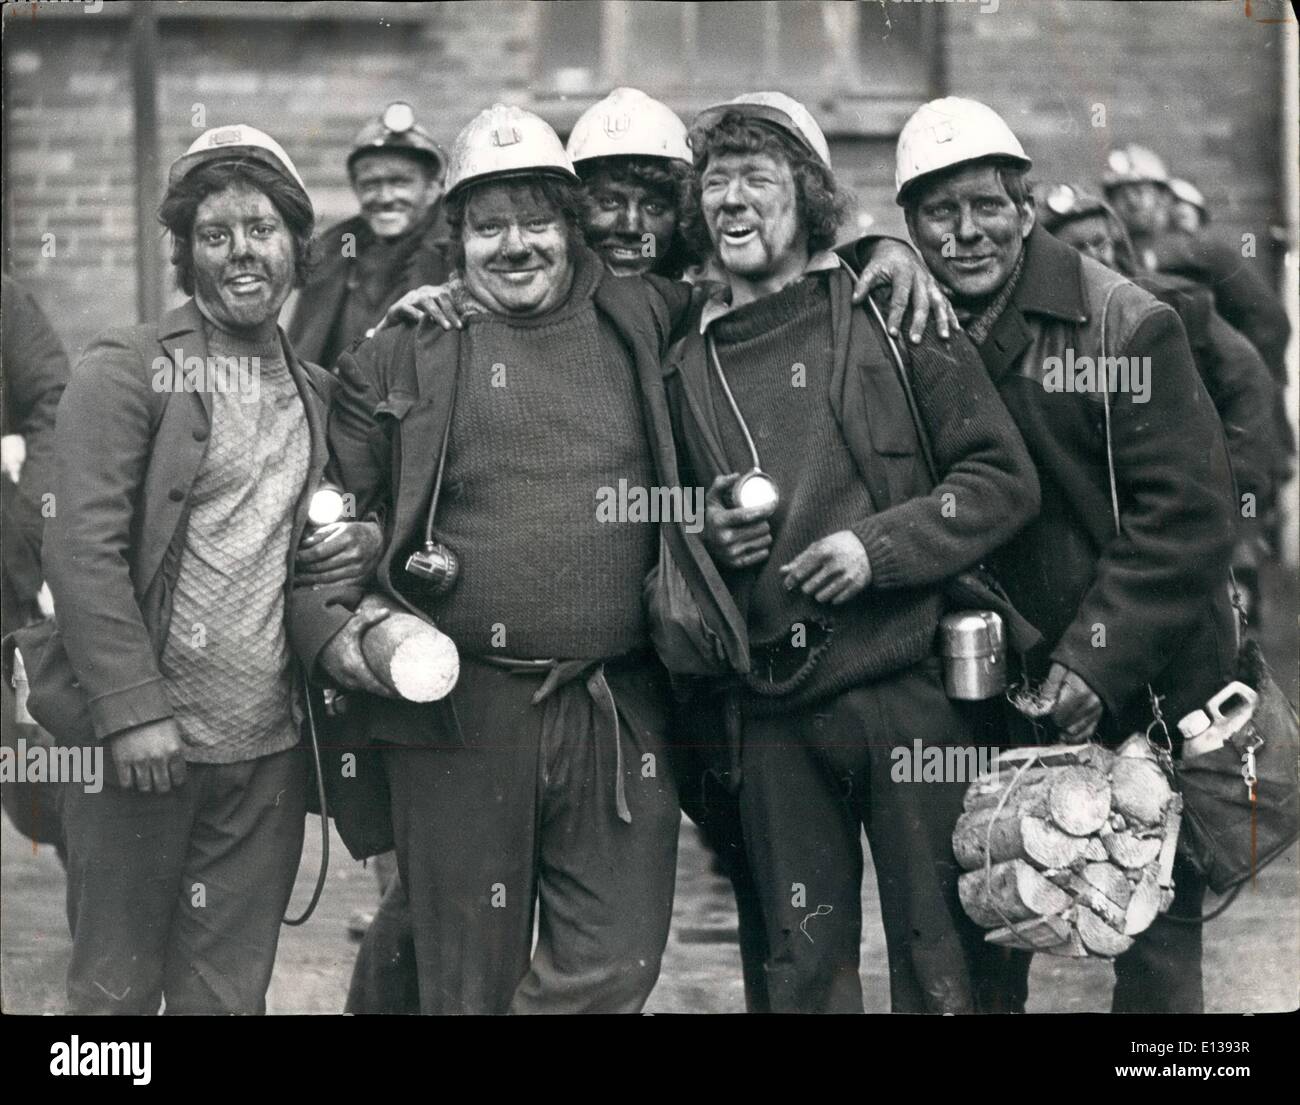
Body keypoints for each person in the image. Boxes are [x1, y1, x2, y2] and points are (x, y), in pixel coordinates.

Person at [664, 92, 1039, 1014]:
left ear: (811, 197)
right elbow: (663, 520)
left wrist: (878, 549)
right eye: (716, 183)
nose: (733, 200)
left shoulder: (891, 312)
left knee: (945, 957)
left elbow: (1000, 477)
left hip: (908, 687)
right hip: (775, 708)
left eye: (759, 177)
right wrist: (710, 533)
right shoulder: (682, 363)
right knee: (799, 972)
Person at [898, 98, 1238, 1012]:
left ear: (1027, 206)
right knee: (988, 911)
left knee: (1153, 920)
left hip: (1146, 673)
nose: (967, 233)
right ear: (910, 227)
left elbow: (1190, 517)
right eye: (939, 214)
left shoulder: (1122, 321)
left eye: (988, 206)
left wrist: (1094, 654)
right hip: (995, 676)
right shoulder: (907, 323)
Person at [40, 125, 367, 1014]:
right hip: (145, 751)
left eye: (261, 229)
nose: (242, 253)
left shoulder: (316, 390)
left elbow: (316, 544)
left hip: (264, 756)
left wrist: (359, 548)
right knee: (113, 997)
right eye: (215, 235)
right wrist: (133, 712)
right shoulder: (128, 370)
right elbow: (79, 550)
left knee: (226, 1000)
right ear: (187, 254)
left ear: (299, 246)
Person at [1040, 182, 1279, 620]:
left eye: (1105, 244)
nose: (1100, 258)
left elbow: (1250, 389)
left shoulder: (1177, 305)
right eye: (1079, 250)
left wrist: (1236, 507)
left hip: (1201, 523)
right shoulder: (1045, 337)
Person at [287, 102, 450, 371]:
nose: (385, 198)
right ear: (356, 188)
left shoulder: (456, 251)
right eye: (371, 185)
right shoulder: (340, 248)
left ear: (433, 188)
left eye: (400, 183)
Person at [1, 275, 69, 858]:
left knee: (35, 761)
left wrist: (29, 517)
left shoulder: (6, 302)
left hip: (8, 562)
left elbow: (52, 401)